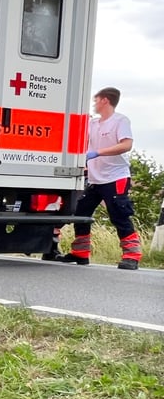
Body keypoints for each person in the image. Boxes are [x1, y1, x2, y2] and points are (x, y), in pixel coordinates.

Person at [56, 87, 141, 270]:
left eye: (96, 100)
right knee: (81, 213)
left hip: (115, 177)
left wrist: (98, 153)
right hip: (96, 179)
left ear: (105, 101)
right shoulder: (94, 124)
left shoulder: (120, 121)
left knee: (119, 214)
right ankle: (80, 253)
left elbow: (126, 145)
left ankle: (132, 256)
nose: (94, 104)